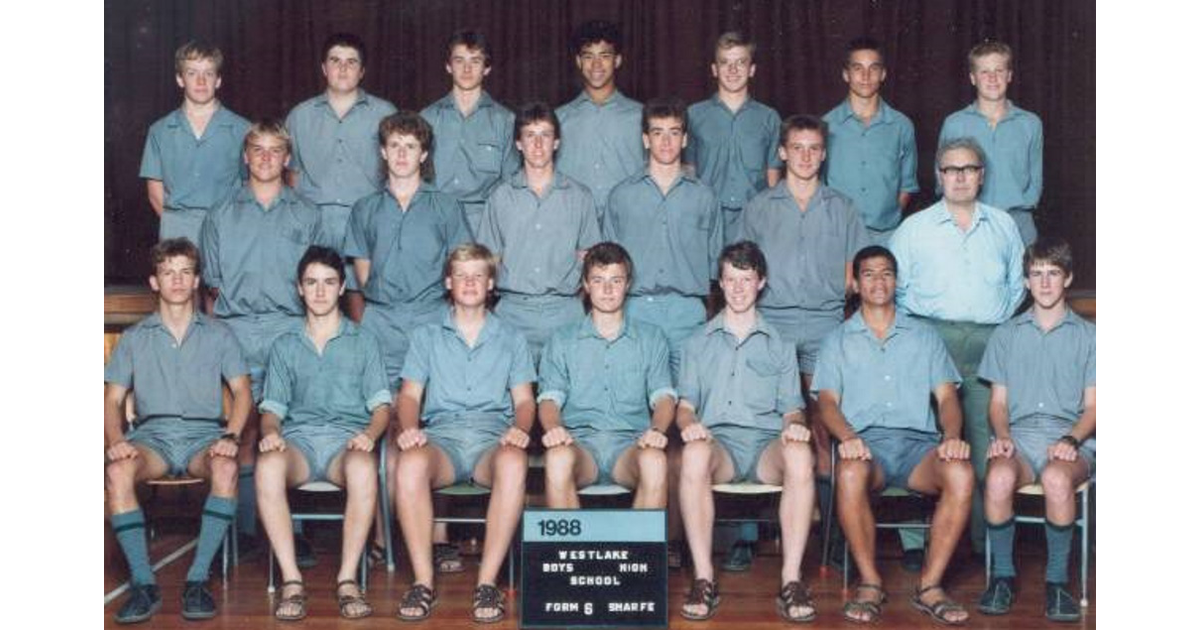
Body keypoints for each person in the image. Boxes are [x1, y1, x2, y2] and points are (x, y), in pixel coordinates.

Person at [813, 245, 974, 626]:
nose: (878, 281)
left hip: (919, 449)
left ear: (897, 281)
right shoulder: (837, 340)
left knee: (961, 472)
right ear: (854, 283)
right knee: (850, 470)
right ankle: (870, 583)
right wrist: (849, 437)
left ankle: (930, 586)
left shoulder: (924, 336)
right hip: (868, 448)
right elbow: (827, 403)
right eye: (868, 273)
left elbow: (948, 396)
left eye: (886, 272)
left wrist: (951, 435)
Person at [739, 114, 869, 560]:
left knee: (823, 428)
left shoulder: (843, 207)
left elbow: (857, 274)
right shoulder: (758, 207)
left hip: (825, 326)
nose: (806, 156)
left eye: (814, 148)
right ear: (782, 152)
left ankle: (833, 538)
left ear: (824, 153)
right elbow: (741, 271)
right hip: (771, 325)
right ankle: (746, 537)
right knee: (757, 425)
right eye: (797, 148)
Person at [889, 136, 1026, 552]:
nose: (960, 177)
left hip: (988, 341)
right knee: (928, 443)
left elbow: (1018, 284)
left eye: (968, 169)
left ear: (981, 176)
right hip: (932, 339)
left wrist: (998, 318)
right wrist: (924, 331)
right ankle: (919, 544)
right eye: (951, 169)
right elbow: (895, 289)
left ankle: (986, 544)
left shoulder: (1003, 225)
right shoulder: (914, 229)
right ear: (938, 176)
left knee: (988, 445)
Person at [104, 238, 252, 623]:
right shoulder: (135, 338)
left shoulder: (220, 335)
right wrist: (117, 440)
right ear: (154, 282)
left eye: (185, 272)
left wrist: (231, 437)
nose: (177, 280)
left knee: (225, 468)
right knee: (118, 471)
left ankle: (197, 580)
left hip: (204, 436)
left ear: (197, 280)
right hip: (152, 437)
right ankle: (143, 583)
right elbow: (111, 399)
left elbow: (242, 392)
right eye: (168, 272)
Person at [200, 119, 328, 552]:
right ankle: (245, 529)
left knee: (287, 430)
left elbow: (320, 284)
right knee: (240, 432)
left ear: (287, 157)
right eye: (258, 149)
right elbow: (211, 289)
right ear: (246, 155)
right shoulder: (221, 213)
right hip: (234, 329)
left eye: (276, 150)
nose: (267, 158)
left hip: (289, 329)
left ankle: (291, 533)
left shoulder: (307, 214)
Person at [392, 243, 536, 624]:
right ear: (447, 282)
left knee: (513, 462)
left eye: (478, 275)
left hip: (493, 438)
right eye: (461, 275)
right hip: (442, 438)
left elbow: (524, 402)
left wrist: (520, 430)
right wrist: (409, 429)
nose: (469, 282)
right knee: (408, 464)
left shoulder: (512, 337)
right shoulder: (425, 336)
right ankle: (423, 582)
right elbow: (408, 396)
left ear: (490, 283)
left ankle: (487, 583)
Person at [675, 241, 817, 623]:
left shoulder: (782, 345)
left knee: (801, 454)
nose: (738, 289)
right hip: (718, 443)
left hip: (766, 444)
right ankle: (704, 578)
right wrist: (689, 426)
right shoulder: (696, 343)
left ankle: (791, 579)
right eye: (730, 279)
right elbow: (685, 407)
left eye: (747, 279)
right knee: (693, 453)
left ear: (761, 283)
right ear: (720, 283)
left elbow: (792, 409)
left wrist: (796, 428)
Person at [255, 246, 392, 621]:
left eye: (329, 283)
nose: (319, 292)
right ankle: (293, 580)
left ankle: (347, 579)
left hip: (344, 445)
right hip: (298, 444)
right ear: (299, 288)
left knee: (364, 467)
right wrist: (270, 433)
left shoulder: (364, 340)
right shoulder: (284, 345)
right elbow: (271, 411)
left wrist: (370, 434)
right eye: (311, 283)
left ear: (342, 287)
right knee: (267, 465)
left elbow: (382, 407)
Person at [976, 237, 1095, 623]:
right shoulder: (1007, 334)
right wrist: (1003, 437)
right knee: (996, 479)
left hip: (1071, 434)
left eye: (1053, 274)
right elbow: (997, 404)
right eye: (1037, 274)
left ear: (1068, 278)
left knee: (1059, 481)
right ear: (1026, 281)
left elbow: (1095, 407)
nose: (1045, 283)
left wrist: (1071, 440)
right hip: (1021, 436)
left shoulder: (1090, 336)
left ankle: (1057, 583)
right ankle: (1004, 577)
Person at [539, 242, 675, 509]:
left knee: (655, 460)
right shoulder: (562, 339)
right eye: (598, 280)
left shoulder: (651, 337)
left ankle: (642, 552)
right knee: (557, 458)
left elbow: (664, 397)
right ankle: (569, 551)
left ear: (628, 284)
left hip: (631, 445)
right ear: (586, 285)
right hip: (579, 445)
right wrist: (554, 428)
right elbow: (549, 400)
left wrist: (657, 430)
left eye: (616, 280)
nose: (608, 289)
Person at [603, 97, 722, 377]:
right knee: (635, 397)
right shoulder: (621, 196)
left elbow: (716, 267)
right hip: (635, 309)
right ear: (646, 139)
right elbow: (607, 263)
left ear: (684, 139)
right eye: (657, 133)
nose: (666, 141)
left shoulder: (704, 196)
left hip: (688, 312)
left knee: (687, 401)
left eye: (674, 132)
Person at [477, 102, 601, 361]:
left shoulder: (580, 196)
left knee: (567, 397)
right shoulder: (500, 197)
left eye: (545, 135)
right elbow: (488, 261)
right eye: (529, 135)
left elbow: (590, 259)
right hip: (512, 312)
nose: (538, 144)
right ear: (518, 143)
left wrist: (573, 301)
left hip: (565, 312)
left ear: (556, 142)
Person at [286, 32, 398, 319]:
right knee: (314, 300)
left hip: (365, 225)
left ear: (362, 71)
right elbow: (291, 177)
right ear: (324, 68)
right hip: (315, 225)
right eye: (335, 61)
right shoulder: (300, 116)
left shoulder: (385, 114)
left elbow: (396, 174)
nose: (343, 68)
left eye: (351, 62)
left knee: (366, 304)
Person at [140, 40, 250, 244]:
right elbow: (155, 190)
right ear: (180, 79)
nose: (201, 81)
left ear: (218, 80)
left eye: (208, 73)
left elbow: (248, 184)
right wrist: (174, 225)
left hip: (227, 229)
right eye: (192, 73)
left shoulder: (242, 129)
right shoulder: (160, 131)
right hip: (176, 231)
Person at [938, 40, 1043, 245]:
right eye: (984, 72)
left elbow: (1035, 181)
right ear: (973, 78)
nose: (993, 78)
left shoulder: (1030, 123)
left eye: (999, 70)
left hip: (1018, 224)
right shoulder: (955, 124)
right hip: (969, 223)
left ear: (1009, 75)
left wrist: (1016, 209)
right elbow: (941, 179)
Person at [420, 29, 519, 237]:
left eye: (475, 61)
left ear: (487, 68)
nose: (467, 69)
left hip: (486, 223)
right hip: (434, 220)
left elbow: (511, 183)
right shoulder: (427, 118)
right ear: (448, 66)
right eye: (459, 61)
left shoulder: (505, 120)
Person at [822, 36, 919, 246]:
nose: (865, 76)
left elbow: (907, 183)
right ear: (846, 74)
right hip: (838, 235)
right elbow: (818, 183)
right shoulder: (826, 126)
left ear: (883, 74)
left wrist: (890, 217)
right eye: (857, 68)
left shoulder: (901, 126)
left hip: (887, 235)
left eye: (873, 68)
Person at [685, 31, 782, 240]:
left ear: (752, 69)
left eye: (740, 62)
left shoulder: (769, 118)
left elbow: (773, 178)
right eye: (725, 62)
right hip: (706, 221)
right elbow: (689, 172)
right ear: (714, 69)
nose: (732, 70)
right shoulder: (694, 115)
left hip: (755, 220)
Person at [555, 19, 643, 220]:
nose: (596, 64)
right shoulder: (559, 119)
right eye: (588, 56)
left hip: (627, 223)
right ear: (578, 61)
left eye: (604, 55)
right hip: (573, 225)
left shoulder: (640, 116)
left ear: (617, 60)